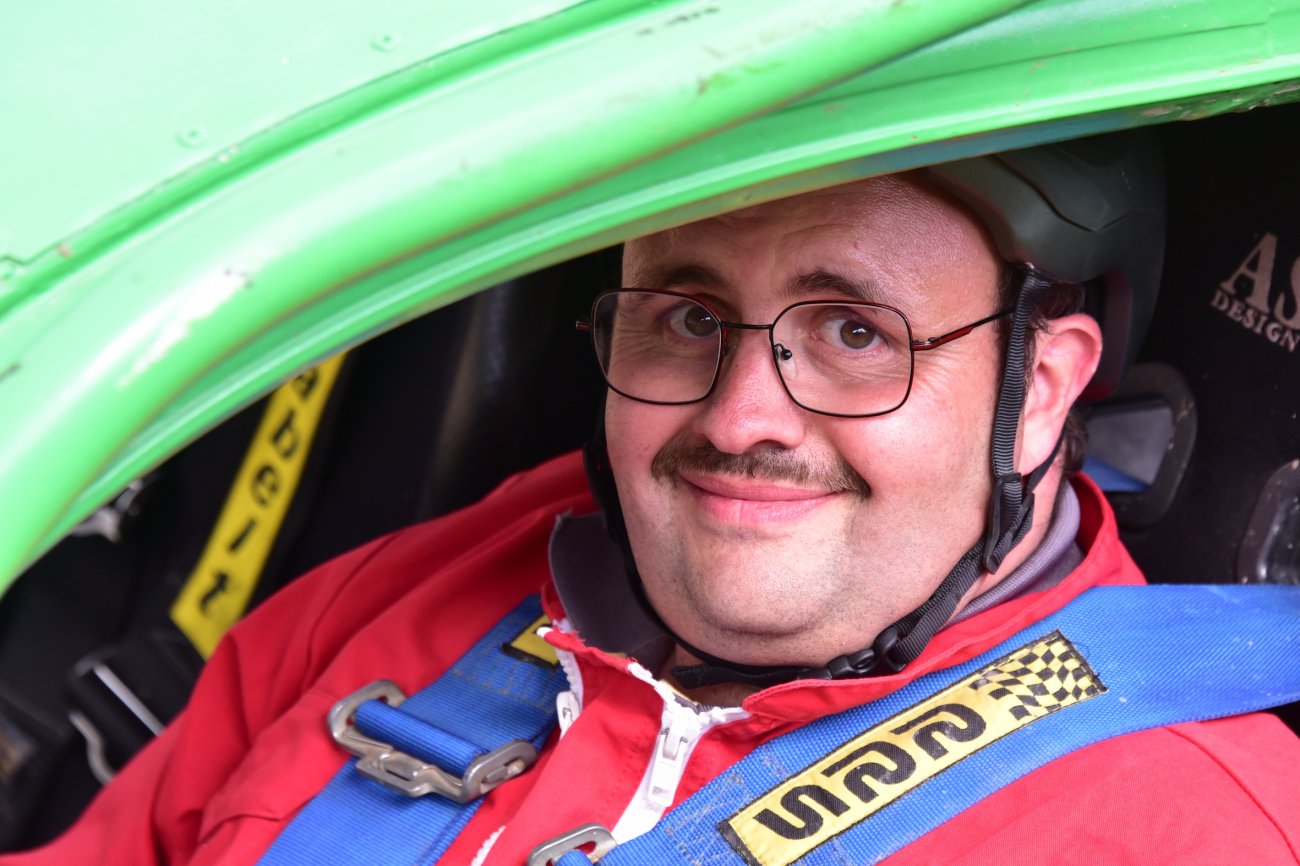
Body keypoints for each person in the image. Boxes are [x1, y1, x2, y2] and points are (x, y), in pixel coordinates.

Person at [6, 133, 1300, 866]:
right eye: (687, 318)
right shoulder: (422, 592)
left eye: (855, 334)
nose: (738, 419)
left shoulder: (1193, 831)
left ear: (1041, 387)